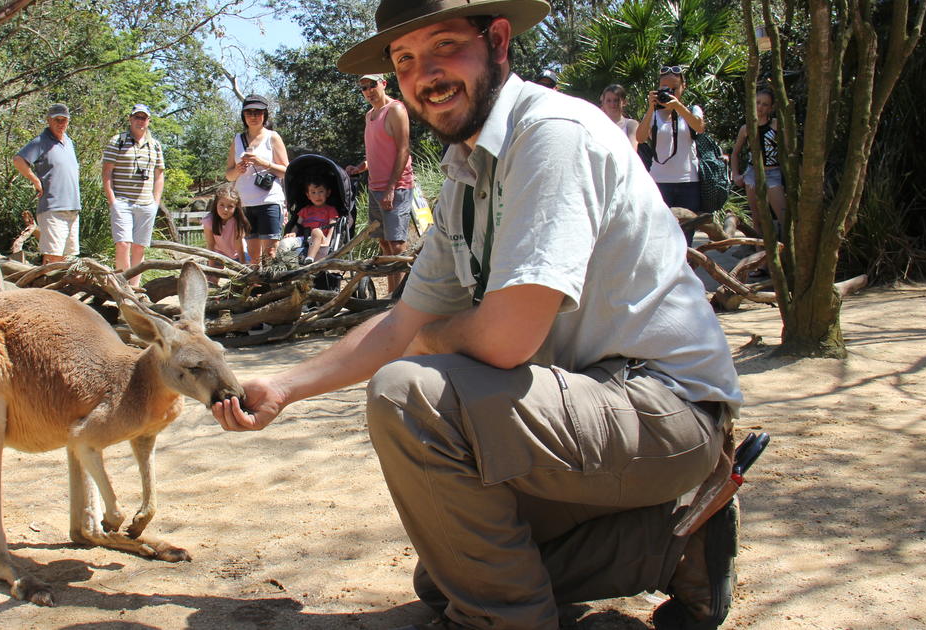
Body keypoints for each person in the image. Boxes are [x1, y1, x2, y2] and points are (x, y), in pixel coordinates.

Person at [212, 2, 744, 630]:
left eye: (443, 47)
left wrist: (426, 341)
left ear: (496, 40)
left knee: (410, 397)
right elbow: (398, 322)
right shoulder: (467, 172)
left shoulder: (550, 134)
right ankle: (677, 546)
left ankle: (503, 622)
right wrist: (283, 386)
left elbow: (505, 339)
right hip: (588, 410)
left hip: (665, 410)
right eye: (406, 60)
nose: (425, 75)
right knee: (448, 569)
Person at [345, 73, 415, 293]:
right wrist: (360, 167)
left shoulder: (395, 110)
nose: (368, 91)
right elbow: (378, 151)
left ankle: (401, 299)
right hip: (375, 187)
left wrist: (391, 188)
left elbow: (403, 150)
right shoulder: (369, 115)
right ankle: (392, 297)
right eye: (363, 88)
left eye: (372, 85)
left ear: (383, 84)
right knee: (384, 244)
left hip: (397, 187)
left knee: (397, 246)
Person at [102, 104, 165, 286]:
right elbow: (106, 172)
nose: (140, 121)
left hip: (146, 204)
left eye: (143, 118)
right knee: (123, 244)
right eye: (137, 117)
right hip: (122, 201)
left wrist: (156, 202)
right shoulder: (117, 141)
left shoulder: (155, 145)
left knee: (139, 247)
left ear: (148, 121)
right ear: (130, 119)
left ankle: (134, 288)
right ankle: (122, 286)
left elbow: (159, 174)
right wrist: (112, 201)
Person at [13, 103, 81, 263]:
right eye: (56, 120)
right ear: (48, 120)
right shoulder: (41, 141)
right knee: (53, 257)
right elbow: (18, 160)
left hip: (72, 208)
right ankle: (46, 287)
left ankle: (60, 288)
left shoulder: (69, 142)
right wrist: (36, 181)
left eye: (64, 120)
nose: (60, 124)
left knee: (67, 259)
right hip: (53, 208)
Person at [636, 66, 705, 221]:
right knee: (659, 231)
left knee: (687, 233)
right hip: (659, 181)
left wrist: (677, 106)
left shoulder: (692, 110)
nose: (670, 92)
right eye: (665, 88)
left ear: (683, 87)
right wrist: (651, 108)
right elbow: (640, 138)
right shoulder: (653, 113)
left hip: (688, 181)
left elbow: (699, 127)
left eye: (674, 88)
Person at [226, 94, 289, 264]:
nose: (253, 116)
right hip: (245, 204)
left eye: (258, 112)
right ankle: (256, 288)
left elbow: (286, 171)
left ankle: (273, 288)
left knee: (270, 252)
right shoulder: (237, 140)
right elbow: (228, 174)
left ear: (265, 115)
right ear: (243, 116)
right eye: (249, 113)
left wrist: (264, 163)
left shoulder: (273, 137)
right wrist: (238, 170)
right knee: (253, 255)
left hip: (269, 200)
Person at [731, 87, 786, 245]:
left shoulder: (776, 125)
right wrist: (736, 175)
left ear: (771, 107)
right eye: (758, 103)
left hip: (773, 172)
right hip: (752, 173)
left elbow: (789, 150)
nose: (760, 107)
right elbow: (735, 153)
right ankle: (760, 263)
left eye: (765, 104)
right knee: (758, 218)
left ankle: (784, 256)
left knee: (783, 216)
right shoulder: (746, 128)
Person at [202, 183, 248, 266]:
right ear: (216, 204)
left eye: (230, 206)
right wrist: (211, 267)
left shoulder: (236, 221)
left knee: (242, 275)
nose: (225, 209)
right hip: (219, 254)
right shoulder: (209, 221)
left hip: (237, 254)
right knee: (212, 278)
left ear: (236, 207)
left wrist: (243, 265)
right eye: (221, 205)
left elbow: (239, 245)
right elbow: (210, 244)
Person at [296, 179, 340, 264]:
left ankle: (309, 258)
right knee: (285, 242)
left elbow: (333, 226)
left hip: (322, 240)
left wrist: (328, 241)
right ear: (308, 195)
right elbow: (297, 225)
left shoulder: (331, 210)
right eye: (313, 192)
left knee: (316, 231)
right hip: (304, 239)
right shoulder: (305, 210)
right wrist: (292, 233)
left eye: (321, 191)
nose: (317, 196)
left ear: (327, 193)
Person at [600, 83, 639, 148]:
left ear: (624, 102)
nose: (612, 104)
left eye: (616, 100)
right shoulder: (597, 124)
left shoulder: (631, 124)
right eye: (608, 101)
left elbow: (632, 150)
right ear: (603, 103)